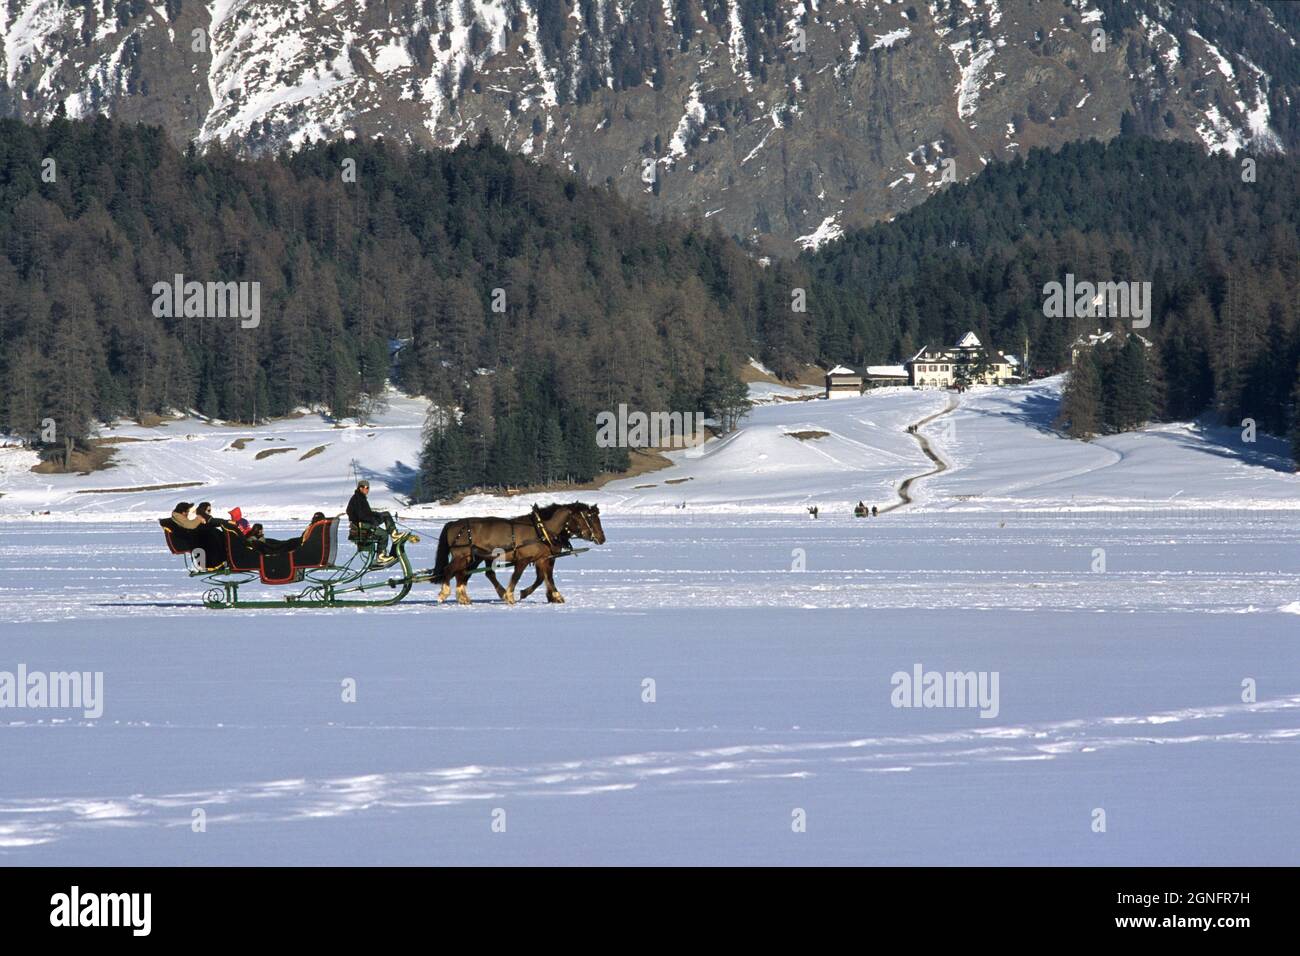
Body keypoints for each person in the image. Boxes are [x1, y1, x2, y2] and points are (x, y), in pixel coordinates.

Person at [346, 481, 407, 563]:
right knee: (384, 534)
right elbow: (361, 516)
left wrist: (377, 514)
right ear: (360, 488)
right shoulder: (357, 499)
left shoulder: (361, 497)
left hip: (366, 522)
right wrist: (373, 520)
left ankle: (394, 533)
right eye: (365, 487)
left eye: (368, 488)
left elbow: (367, 513)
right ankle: (380, 556)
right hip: (363, 525)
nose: (367, 489)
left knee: (386, 514)